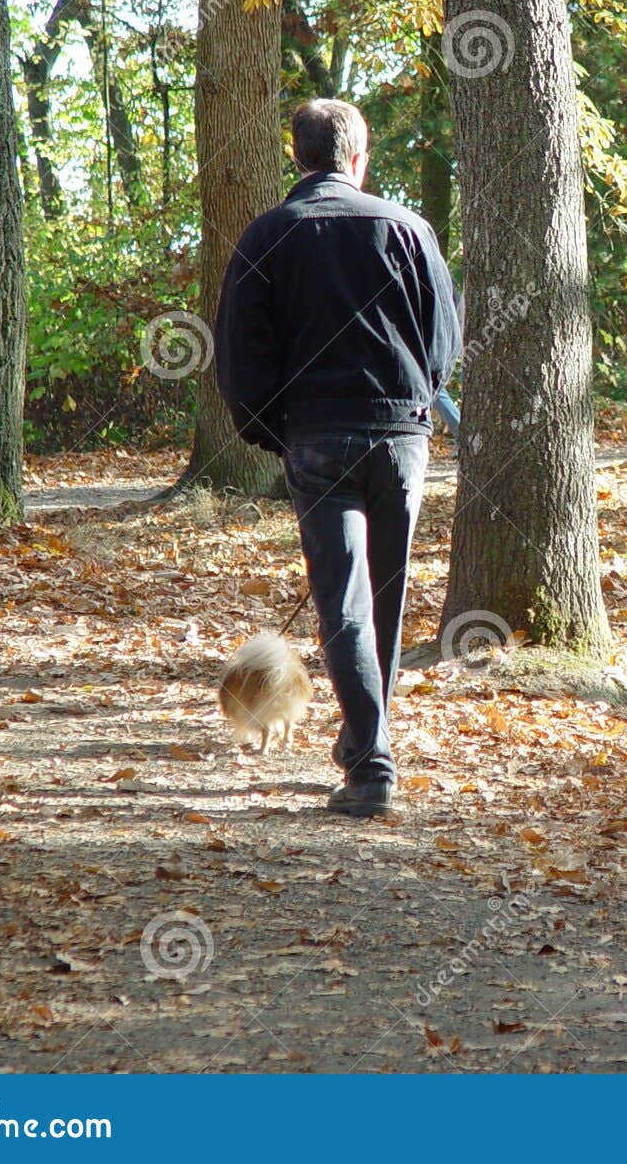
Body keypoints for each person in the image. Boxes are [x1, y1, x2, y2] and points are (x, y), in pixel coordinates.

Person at [214, 99, 461, 817]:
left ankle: (370, 760)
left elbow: (240, 359)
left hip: (318, 436)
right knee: (382, 598)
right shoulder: (410, 230)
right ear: (359, 158)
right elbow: (443, 343)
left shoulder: (267, 236)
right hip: (401, 438)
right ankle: (363, 746)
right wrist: (416, 403)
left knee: (343, 602)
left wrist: (272, 432)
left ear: (297, 157)